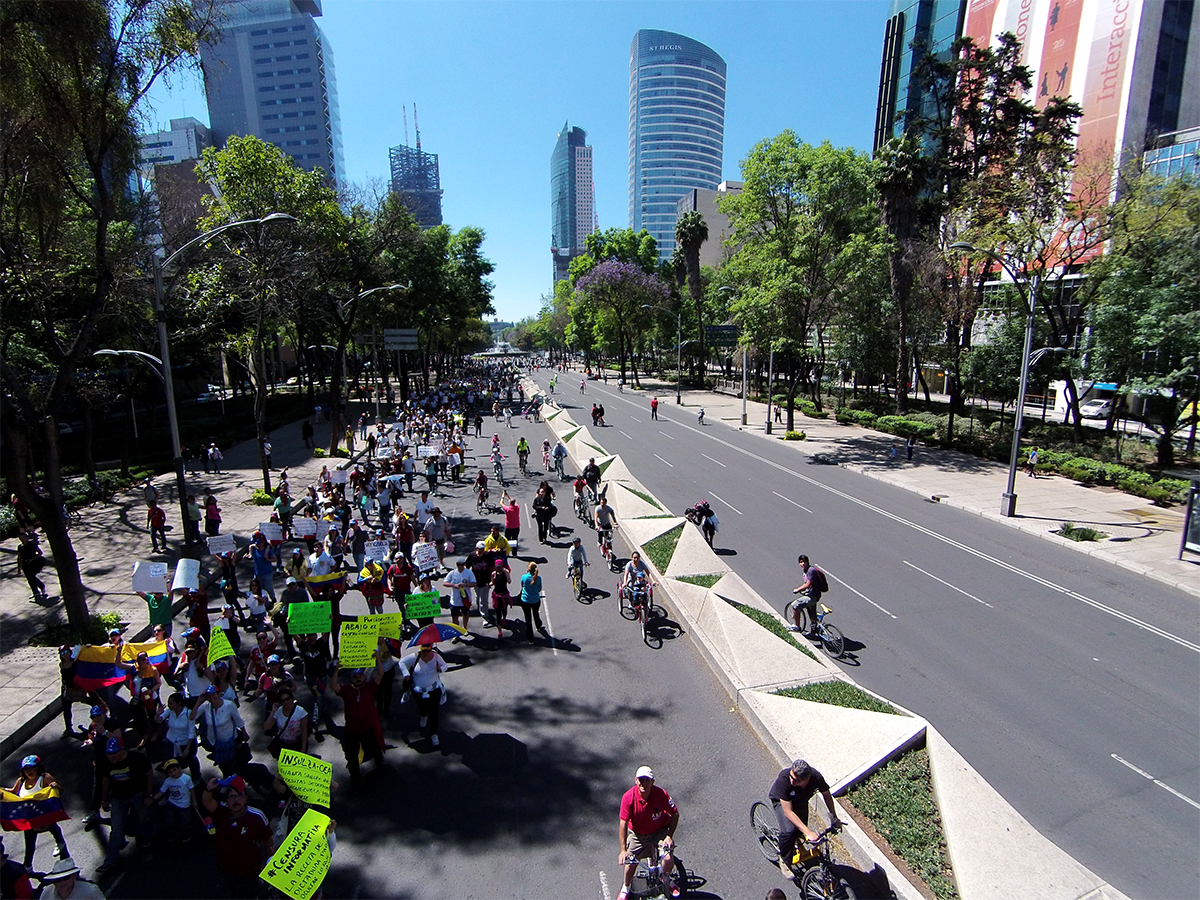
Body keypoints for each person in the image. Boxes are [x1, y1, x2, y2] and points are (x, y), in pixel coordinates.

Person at [200, 775, 274, 898]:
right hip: (225, 869)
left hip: (249, 872)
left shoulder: (257, 816)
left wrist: (272, 866)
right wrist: (209, 789)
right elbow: (207, 802)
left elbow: (269, 843)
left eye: (240, 796)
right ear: (227, 801)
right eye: (232, 797)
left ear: (246, 799)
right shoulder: (221, 811)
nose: (236, 800)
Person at [768, 758, 842, 881]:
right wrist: (809, 832)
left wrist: (834, 817)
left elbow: (826, 794)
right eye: (791, 776)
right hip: (782, 802)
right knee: (790, 831)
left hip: (800, 801)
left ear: (806, 779)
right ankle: (784, 859)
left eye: (796, 780)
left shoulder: (816, 777)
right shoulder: (784, 780)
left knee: (800, 829)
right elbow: (788, 812)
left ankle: (793, 842)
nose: (792, 781)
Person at [617, 766, 679, 900]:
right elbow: (623, 823)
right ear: (636, 781)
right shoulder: (628, 798)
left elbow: (674, 813)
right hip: (638, 835)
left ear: (652, 782)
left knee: (667, 857)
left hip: (659, 831)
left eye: (647, 780)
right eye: (640, 780)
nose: (643, 783)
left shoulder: (661, 795)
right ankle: (626, 887)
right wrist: (623, 850)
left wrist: (669, 836)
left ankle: (666, 879)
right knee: (631, 863)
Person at [328, 646, 386, 788]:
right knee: (352, 758)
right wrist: (337, 670)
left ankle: (378, 758)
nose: (358, 678)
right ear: (352, 679)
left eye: (360, 676)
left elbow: (380, 674)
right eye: (355, 676)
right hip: (351, 731)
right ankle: (356, 781)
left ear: (364, 677)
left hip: (368, 728)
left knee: (371, 748)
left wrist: (377, 658)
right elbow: (334, 686)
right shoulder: (347, 690)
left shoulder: (370, 687)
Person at [95, 740, 153, 874]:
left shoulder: (137, 758)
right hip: (118, 798)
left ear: (122, 749)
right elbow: (105, 780)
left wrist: (149, 795)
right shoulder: (106, 762)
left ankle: (147, 836)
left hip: (138, 794)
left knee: (144, 818)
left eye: (115, 753)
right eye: (109, 754)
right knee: (116, 829)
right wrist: (104, 799)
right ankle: (111, 859)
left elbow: (149, 775)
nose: (112, 757)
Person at [10, 756, 68, 868]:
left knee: (56, 833)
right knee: (29, 844)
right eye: (26, 769)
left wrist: (56, 787)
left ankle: (66, 860)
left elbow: (59, 792)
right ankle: (28, 867)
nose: (29, 771)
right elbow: (13, 792)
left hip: (45, 815)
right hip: (30, 819)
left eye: (31, 768)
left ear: (37, 767)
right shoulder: (21, 781)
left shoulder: (45, 778)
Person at [398, 644, 449, 747]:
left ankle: (434, 733)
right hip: (418, 691)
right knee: (422, 706)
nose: (425, 653)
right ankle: (423, 716)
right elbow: (402, 662)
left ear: (431, 649)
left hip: (434, 690)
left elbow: (445, 666)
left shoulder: (436, 657)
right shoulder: (415, 656)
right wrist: (406, 674)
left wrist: (440, 668)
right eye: (423, 651)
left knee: (434, 712)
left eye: (428, 651)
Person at [152, 758, 195, 844]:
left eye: (174, 770)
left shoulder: (186, 778)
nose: (173, 773)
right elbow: (162, 791)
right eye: (170, 772)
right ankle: (174, 832)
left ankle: (186, 833)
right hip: (172, 803)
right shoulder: (168, 781)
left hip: (184, 804)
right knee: (170, 820)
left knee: (185, 820)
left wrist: (194, 801)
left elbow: (192, 790)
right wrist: (152, 798)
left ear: (179, 768)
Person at [788, 554, 827, 637]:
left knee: (795, 605)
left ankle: (797, 627)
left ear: (808, 562)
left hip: (812, 596)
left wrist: (798, 589)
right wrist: (804, 591)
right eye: (801, 562)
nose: (803, 564)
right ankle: (813, 633)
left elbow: (808, 584)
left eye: (804, 562)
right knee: (812, 615)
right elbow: (809, 584)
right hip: (814, 595)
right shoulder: (806, 571)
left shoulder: (810, 571)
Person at [265, 688, 309, 757]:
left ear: (292, 698)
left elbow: (304, 731)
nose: (286, 702)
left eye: (287, 699)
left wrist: (303, 749)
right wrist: (273, 712)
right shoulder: (278, 711)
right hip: (283, 745)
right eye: (283, 701)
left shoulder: (300, 711)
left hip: (296, 745)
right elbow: (266, 728)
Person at [39, 857, 105, 899]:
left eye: (66, 878)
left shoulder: (90, 891)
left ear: (74, 876)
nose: (62, 882)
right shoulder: (46, 893)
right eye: (57, 880)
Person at [518, 562, 548, 645]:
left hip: (525, 601)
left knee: (528, 620)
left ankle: (530, 639)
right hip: (535, 600)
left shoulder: (524, 577)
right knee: (536, 614)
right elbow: (539, 589)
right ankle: (538, 626)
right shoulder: (538, 578)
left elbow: (522, 585)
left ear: (528, 569)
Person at [444, 557, 476, 633]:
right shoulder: (452, 573)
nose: (460, 566)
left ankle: (464, 628)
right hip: (454, 600)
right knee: (454, 617)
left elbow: (474, 583)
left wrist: (466, 585)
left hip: (465, 599)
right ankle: (456, 631)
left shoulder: (469, 573)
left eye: (461, 565)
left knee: (465, 614)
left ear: (464, 565)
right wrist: (453, 585)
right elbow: (445, 583)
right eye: (458, 565)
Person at [16, 531, 47, 603]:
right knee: (29, 579)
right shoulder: (20, 547)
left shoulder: (32, 545)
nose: (22, 539)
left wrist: (32, 559)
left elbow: (40, 553)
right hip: (25, 564)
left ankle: (41, 586)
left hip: (33, 563)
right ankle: (35, 592)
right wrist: (19, 567)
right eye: (21, 538)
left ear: (27, 537)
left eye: (23, 538)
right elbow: (19, 557)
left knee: (32, 577)